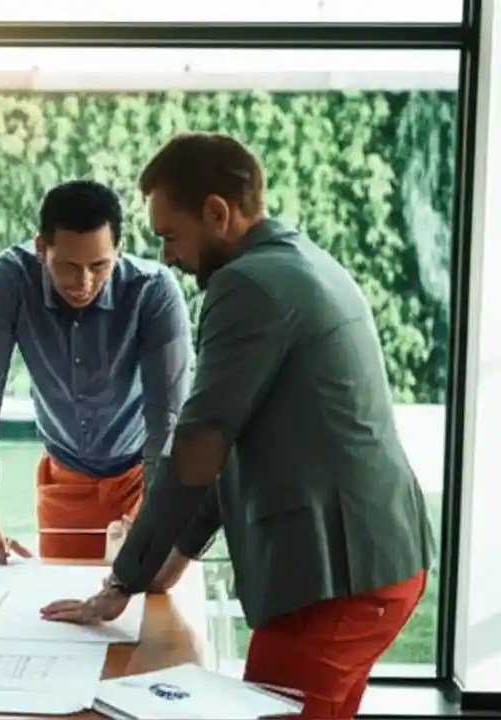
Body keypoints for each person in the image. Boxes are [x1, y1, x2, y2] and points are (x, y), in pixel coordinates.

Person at [41, 132, 434, 719]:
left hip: (339, 581)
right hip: (377, 562)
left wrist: (124, 579)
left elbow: (199, 444)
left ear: (218, 213)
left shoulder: (245, 286)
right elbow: (226, 446)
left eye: (171, 235)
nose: (167, 256)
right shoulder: (300, 261)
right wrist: (166, 565)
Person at [0, 180, 192, 562]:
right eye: (68, 266)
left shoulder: (154, 291)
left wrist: (150, 521)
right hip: (64, 479)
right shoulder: (11, 280)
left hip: (142, 480)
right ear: (41, 247)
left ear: (119, 251)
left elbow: (169, 420)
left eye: (99, 266)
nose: (83, 283)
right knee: (63, 610)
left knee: (149, 603)